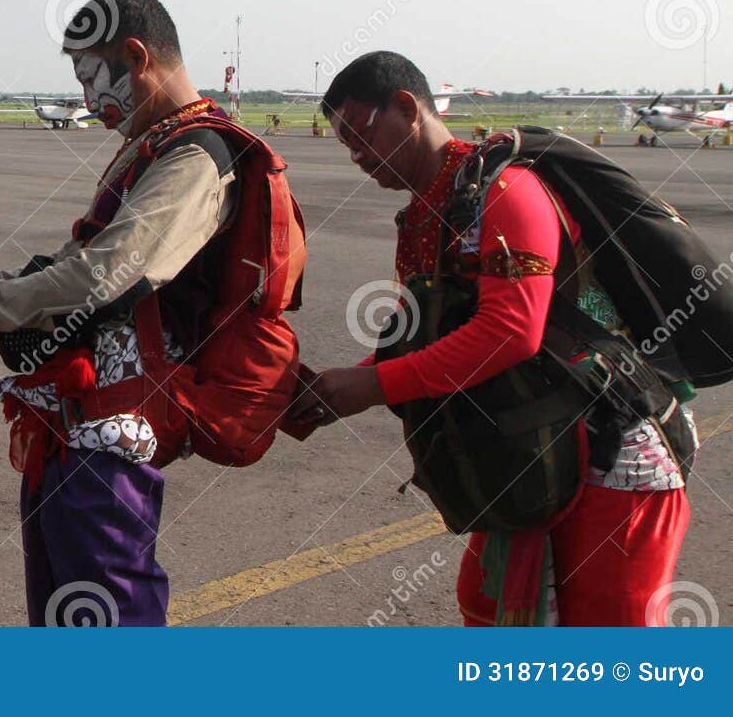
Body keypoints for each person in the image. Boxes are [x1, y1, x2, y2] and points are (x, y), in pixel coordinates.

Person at [0, 0, 304, 626]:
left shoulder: (197, 155)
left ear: (136, 56)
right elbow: (78, 264)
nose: (89, 101)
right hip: (77, 424)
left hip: (115, 435)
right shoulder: (155, 146)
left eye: (93, 78)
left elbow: (106, 276)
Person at [290, 51, 696, 625]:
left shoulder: (506, 190)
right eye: (346, 146)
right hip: (532, 452)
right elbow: (429, 337)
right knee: (491, 612)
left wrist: (373, 385)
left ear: (406, 108)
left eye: (363, 135)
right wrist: (336, 391)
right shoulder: (431, 210)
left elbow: (510, 331)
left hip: (609, 451)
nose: (358, 156)